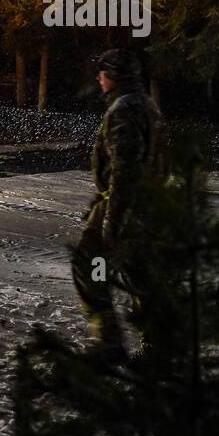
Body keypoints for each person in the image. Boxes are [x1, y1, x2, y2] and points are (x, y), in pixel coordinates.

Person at [71, 48, 165, 362]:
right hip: (148, 204)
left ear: (113, 76)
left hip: (126, 205)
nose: (98, 79)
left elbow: (125, 168)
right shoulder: (146, 104)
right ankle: (155, 346)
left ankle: (110, 343)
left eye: (103, 73)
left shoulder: (124, 109)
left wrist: (113, 219)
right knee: (141, 276)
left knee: (88, 265)